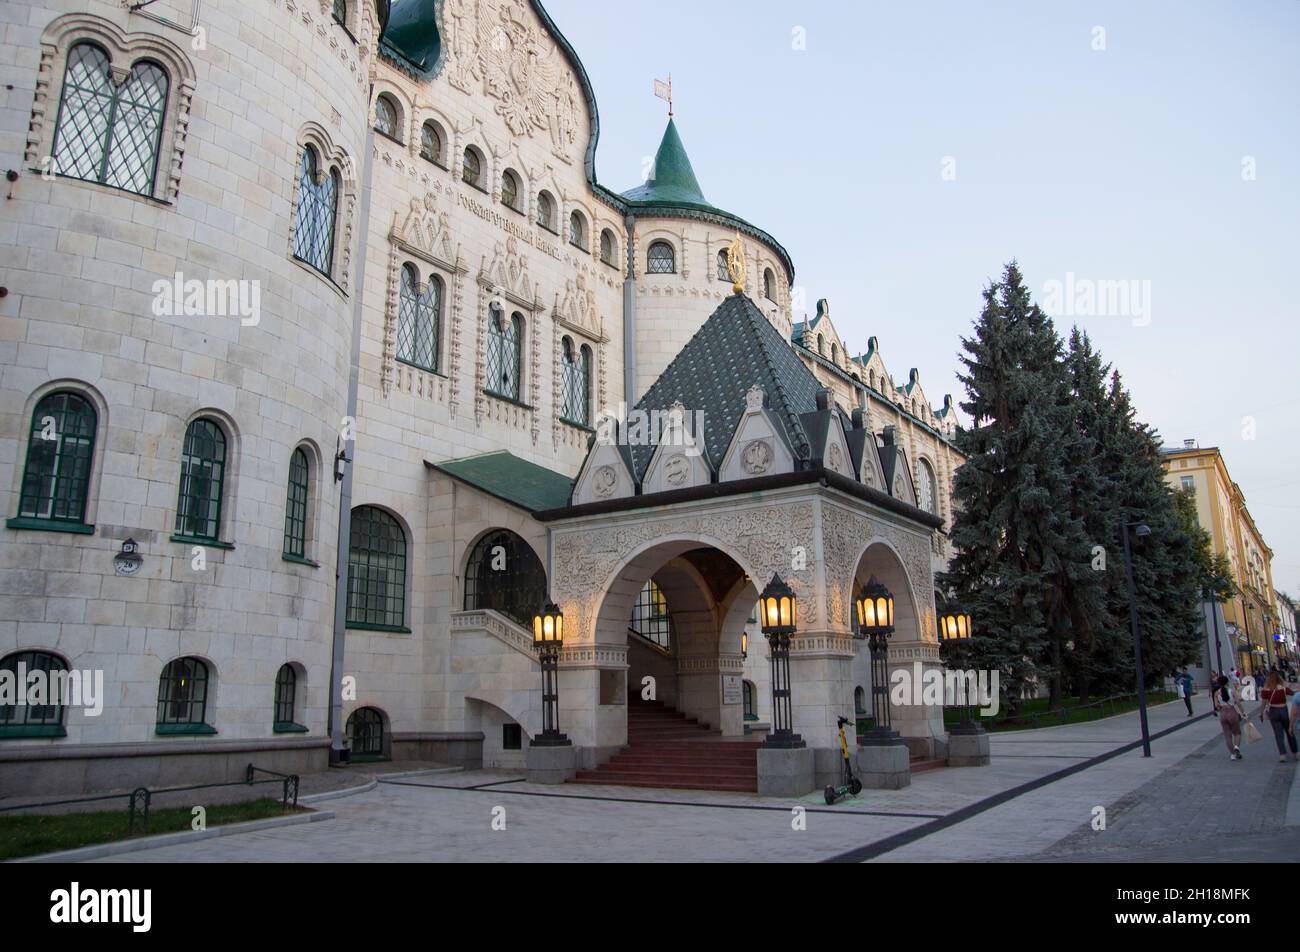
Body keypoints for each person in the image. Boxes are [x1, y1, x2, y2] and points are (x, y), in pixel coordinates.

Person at [1255, 671, 1298, 763]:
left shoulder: (1266, 689)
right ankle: (1295, 752)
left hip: (1273, 711)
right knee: (1289, 731)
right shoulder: (1283, 688)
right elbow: (1293, 694)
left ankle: (1282, 755)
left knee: (1278, 734)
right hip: (1283, 710)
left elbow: (1263, 702)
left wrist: (1261, 713)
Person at [1215, 675, 1243, 760]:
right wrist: (1243, 712)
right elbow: (1238, 703)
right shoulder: (1232, 691)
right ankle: (1236, 747)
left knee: (1228, 735)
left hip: (1223, 714)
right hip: (1232, 712)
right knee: (1237, 733)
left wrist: (1221, 705)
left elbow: (1217, 706)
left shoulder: (1217, 693)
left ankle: (1232, 754)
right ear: (1227, 682)